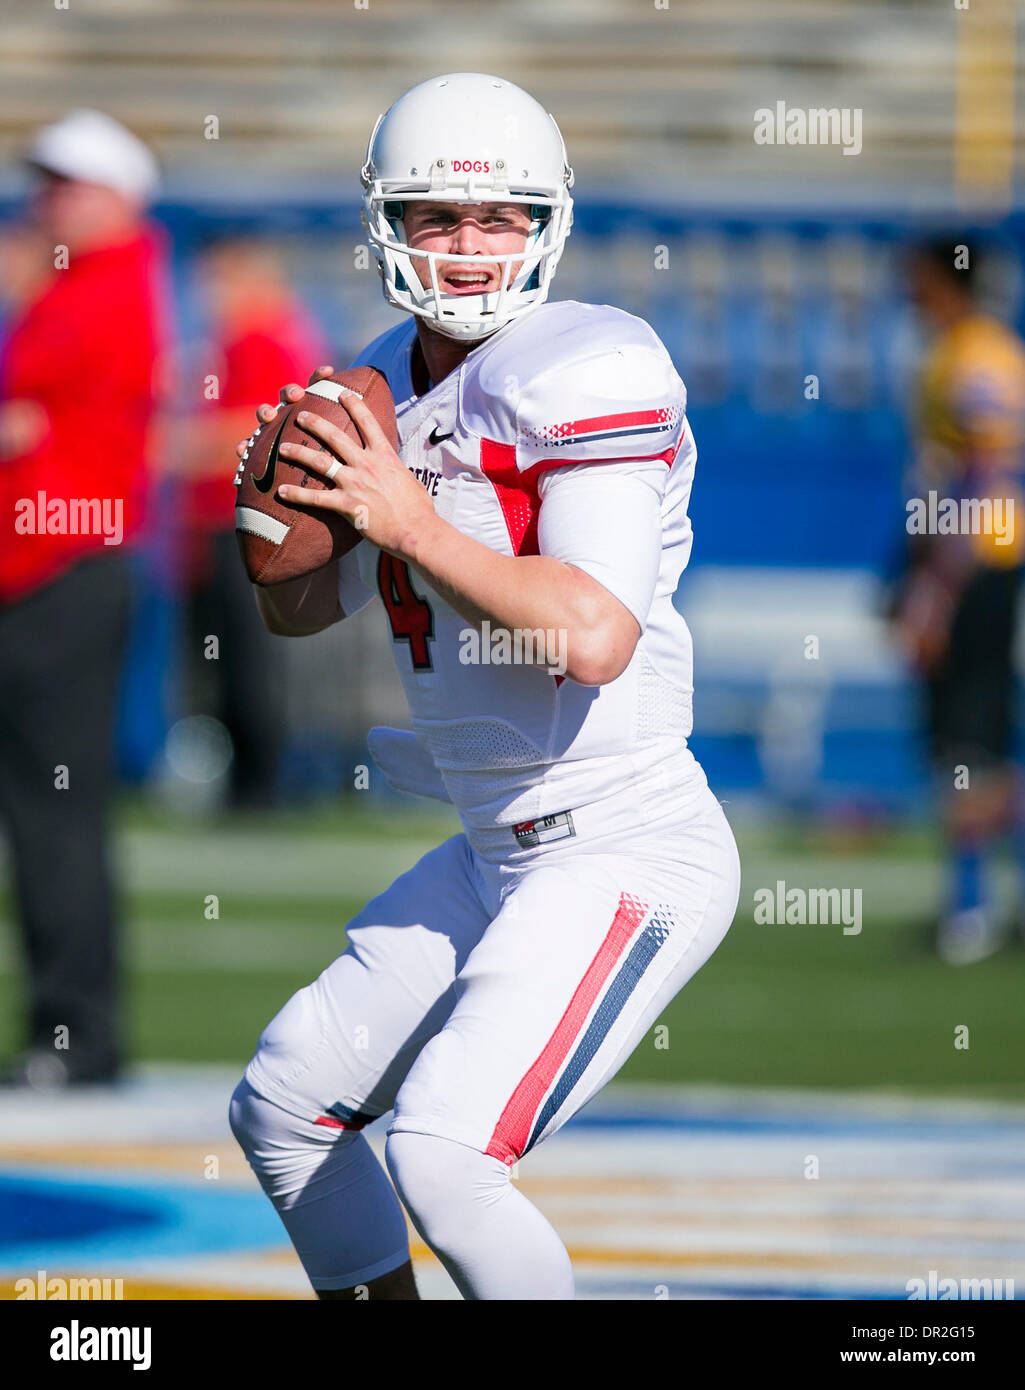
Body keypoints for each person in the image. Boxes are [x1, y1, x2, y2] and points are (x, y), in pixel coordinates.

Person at [229, 73, 740, 1300]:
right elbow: (300, 609)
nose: (467, 250)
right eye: (437, 220)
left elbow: (592, 633)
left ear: (546, 222)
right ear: (386, 226)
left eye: (499, 218)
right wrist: (273, 522)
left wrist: (405, 520)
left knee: (448, 1156)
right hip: (489, 847)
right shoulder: (374, 384)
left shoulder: (591, 363)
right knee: (286, 1104)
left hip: (622, 839)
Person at [0, 110, 168, 1086]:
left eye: (67, 187)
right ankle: (67, 1029)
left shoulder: (102, 290)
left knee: (55, 814)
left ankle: (75, 1034)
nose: (45, 203)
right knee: (44, 813)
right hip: (43, 568)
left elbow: (31, 420)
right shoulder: (79, 285)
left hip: (59, 573)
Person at [890, 237, 1025, 964]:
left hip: (975, 566)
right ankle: (976, 903)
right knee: (976, 740)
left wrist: (934, 589)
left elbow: (983, 473)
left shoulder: (976, 355)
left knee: (968, 741)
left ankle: (970, 909)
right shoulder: (966, 350)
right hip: (973, 562)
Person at [174, 238, 329, 807]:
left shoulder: (264, 337)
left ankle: (258, 783)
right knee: (221, 658)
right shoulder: (236, 341)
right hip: (218, 521)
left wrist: (177, 444)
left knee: (245, 656)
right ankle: (240, 777)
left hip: (244, 520)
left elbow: (261, 426)